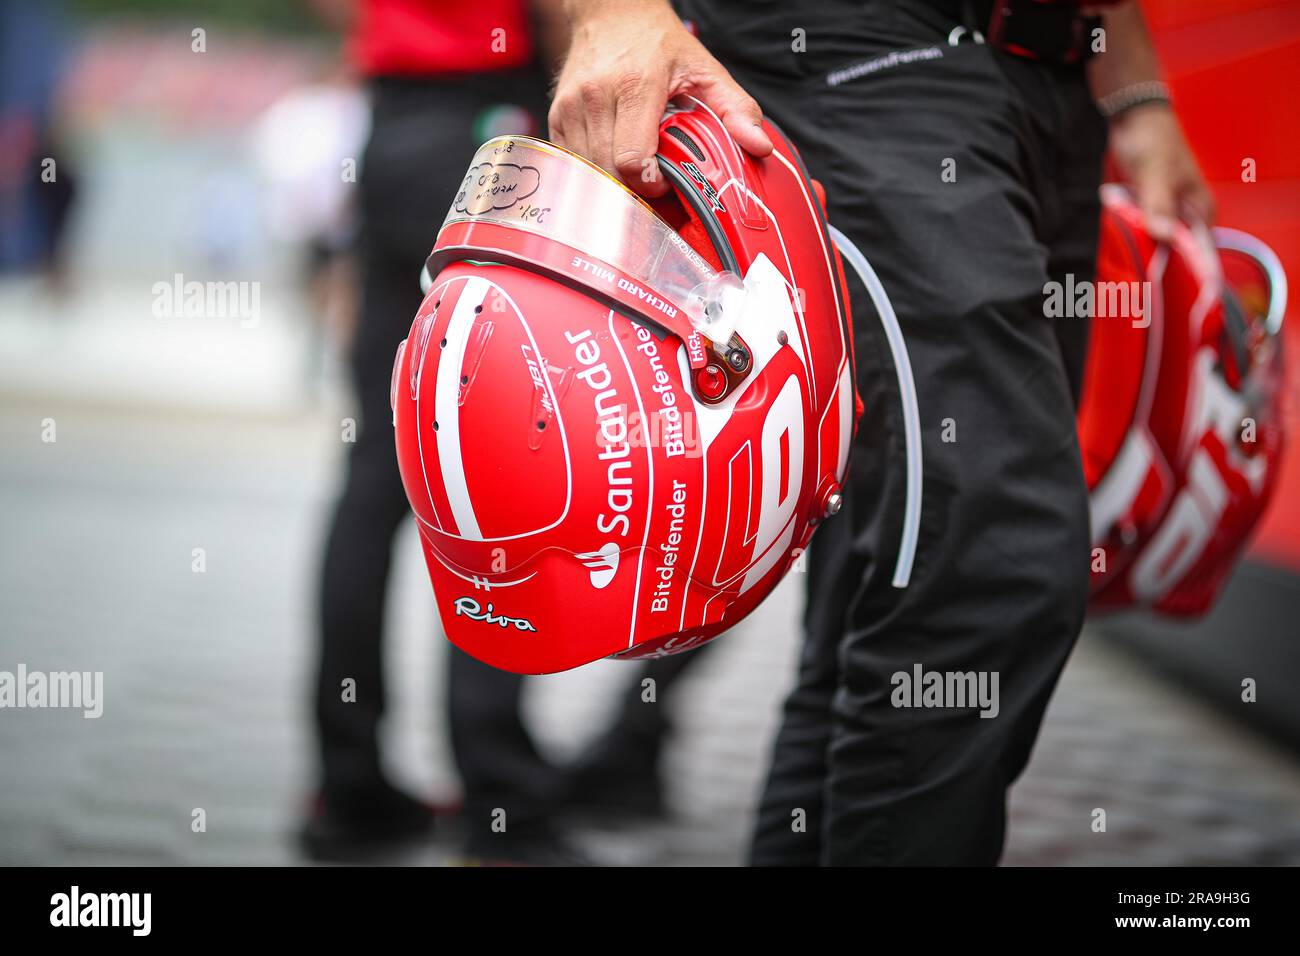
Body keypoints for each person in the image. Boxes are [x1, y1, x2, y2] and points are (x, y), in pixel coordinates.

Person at [547, 0, 1212, 864]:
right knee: (988, 567)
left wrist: (1134, 91)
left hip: (1050, 81)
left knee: (889, 582)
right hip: (860, 54)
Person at [302, 0, 713, 864]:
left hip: (393, 121)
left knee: (373, 473)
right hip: (495, 126)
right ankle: (500, 798)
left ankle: (347, 785)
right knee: (502, 464)